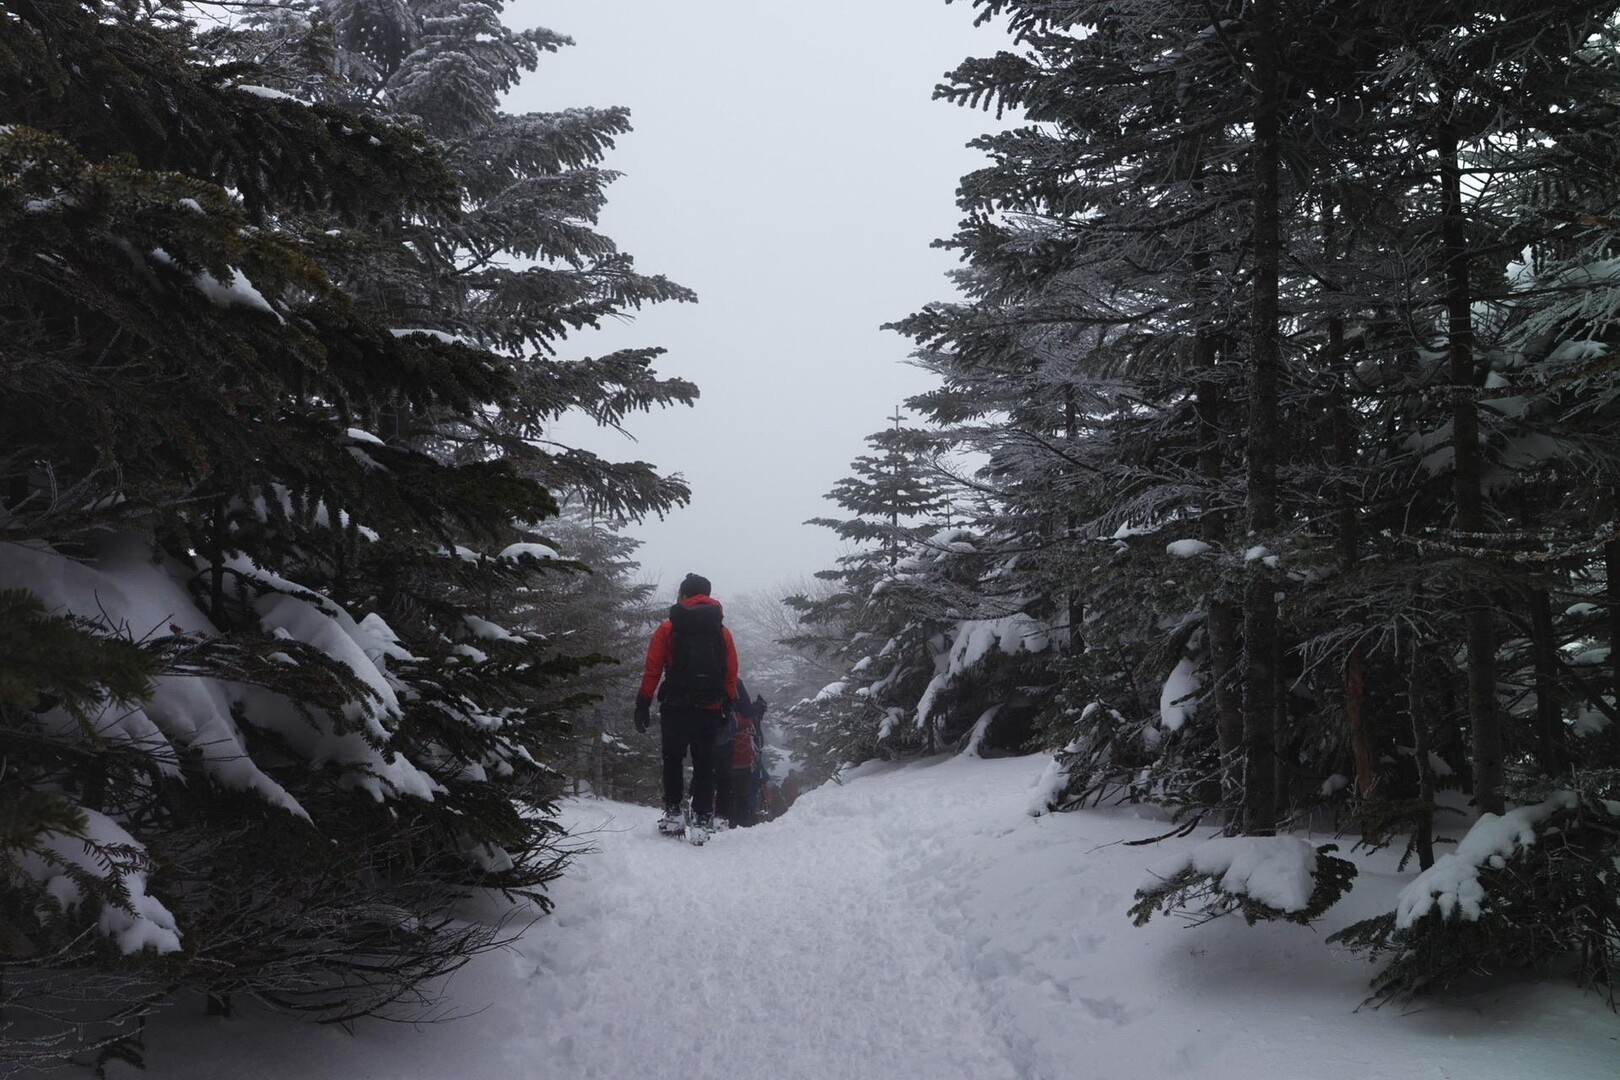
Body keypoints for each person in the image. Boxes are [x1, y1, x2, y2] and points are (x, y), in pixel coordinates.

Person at [635, 573, 739, 840]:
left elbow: (653, 668)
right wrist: (728, 703)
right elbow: (730, 672)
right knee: (705, 762)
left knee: (672, 759)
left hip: (675, 705)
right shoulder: (721, 630)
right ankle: (703, 820)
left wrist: (644, 701)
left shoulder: (669, 627)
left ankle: (673, 815)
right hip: (710, 707)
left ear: (683, 595)